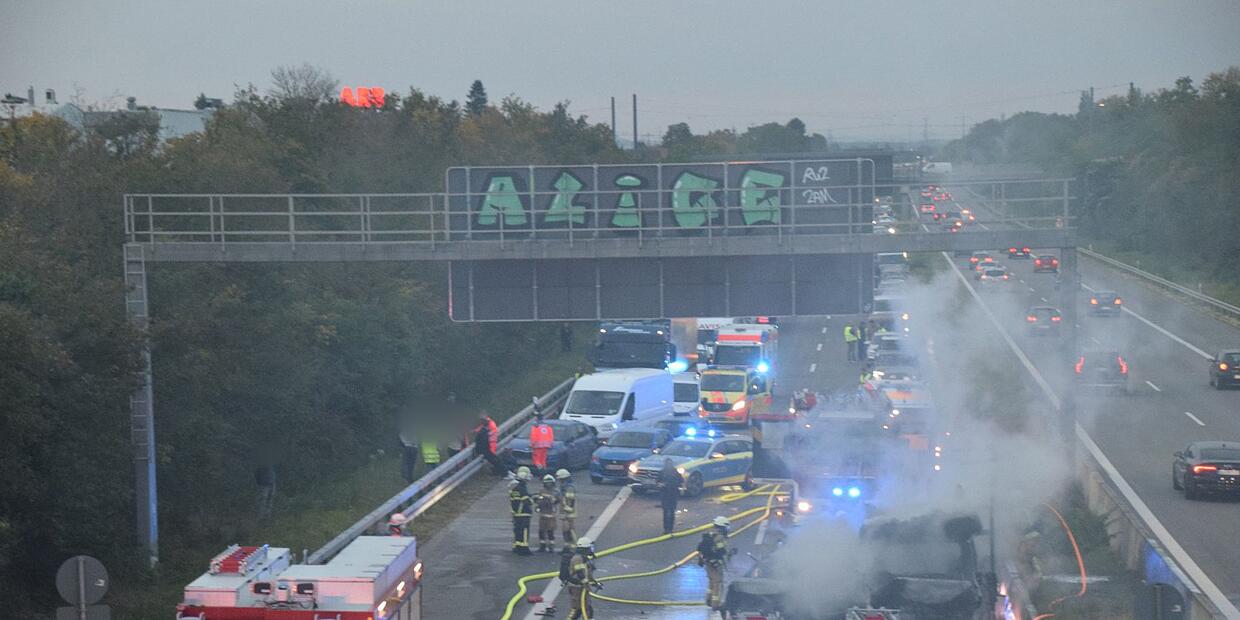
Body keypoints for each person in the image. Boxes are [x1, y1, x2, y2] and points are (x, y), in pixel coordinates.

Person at [697, 516, 733, 610]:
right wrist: (730, 553)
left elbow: (700, 548)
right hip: (716, 564)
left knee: (711, 581)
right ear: (722, 527)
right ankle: (716, 604)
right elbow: (721, 551)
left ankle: (708, 600)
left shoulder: (710, 535)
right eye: (726, 527)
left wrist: (702, 559)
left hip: (708, 562)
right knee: (718, 583)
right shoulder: (720, 538)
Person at [566, 537, 598, 620]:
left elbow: (588, 574)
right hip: (576, 588)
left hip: (582, 587)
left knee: (588, 609)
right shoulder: (577, 559)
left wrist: (595, 583)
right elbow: (580, 573)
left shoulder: (584, 558)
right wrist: (586, 584)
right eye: (590, 548)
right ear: (585, 549)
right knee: (577, 610)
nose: (591, 550)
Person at [509, 470, 534, 555]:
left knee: (518, 531)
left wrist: (531, 495)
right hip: (524, 513)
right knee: (524, 531)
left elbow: (515, 500)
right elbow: (526, 501)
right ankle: (524, 548)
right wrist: (533, 500)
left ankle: (517, 547)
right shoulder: (522, 489)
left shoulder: (515, 489)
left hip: (516, 514)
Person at [534, 474, 560, 552]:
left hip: (551, 513)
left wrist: (552, 500)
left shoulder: (555, 491)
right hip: (542, 513)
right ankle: (542, 545)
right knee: (541, 529)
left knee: (550, 530)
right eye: (547, 483)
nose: (548, 484)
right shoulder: (541, 491)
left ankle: (551, 545)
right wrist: (538, 505)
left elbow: (557, 500)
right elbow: (539, 500)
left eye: (550, 482)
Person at [657, 458, 683, 534]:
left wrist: (664, 485)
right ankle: (668, 528)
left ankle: (668, 528)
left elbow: (680, 481)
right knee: (668, 511)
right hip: (667, 494)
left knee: (669, 511)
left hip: (670, 494)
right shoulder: (665, 472)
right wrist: (660, 484)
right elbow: (658, 481)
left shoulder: (673, 472)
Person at [556, 469, 577, 544]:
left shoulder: (569, 488)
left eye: (560, 479)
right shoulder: (563, 488)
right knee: (566, 528)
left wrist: (568, 509)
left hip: (568, 511)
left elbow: (570, 500)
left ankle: (573, 544)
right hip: (565, 511)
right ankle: (568, 545)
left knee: (568, 528)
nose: (559, 481)